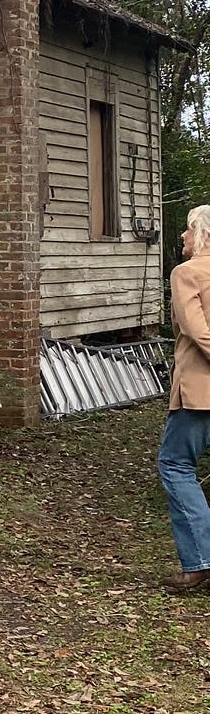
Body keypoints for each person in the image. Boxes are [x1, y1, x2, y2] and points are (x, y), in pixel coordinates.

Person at [159, 202, 210, 594]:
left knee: (175, 466)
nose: (182, 236)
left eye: (188, 229)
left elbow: (196, 330)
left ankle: (200, 562)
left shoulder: (187, 273)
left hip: (199, 392)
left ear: (203, 234)